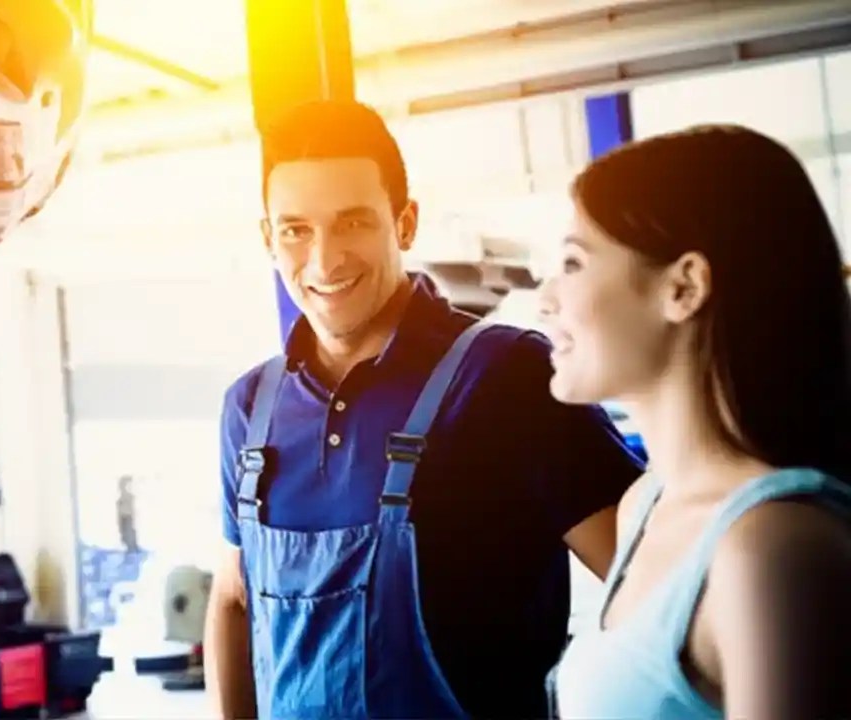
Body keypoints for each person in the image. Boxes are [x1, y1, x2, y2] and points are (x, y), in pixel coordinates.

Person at [204, 99, 645, 720]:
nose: (324, 261)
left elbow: (655, 592)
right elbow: (232, 599)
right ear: (267, 237)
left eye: (353, 223)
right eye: (296, 229)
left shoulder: (507, 377)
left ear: (404, 224)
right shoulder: (250, 410)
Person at [543, 125, 851, 718]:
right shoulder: (643, 507)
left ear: (683, 287)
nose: (547, 296)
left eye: (573, 263)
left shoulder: (771, 548)